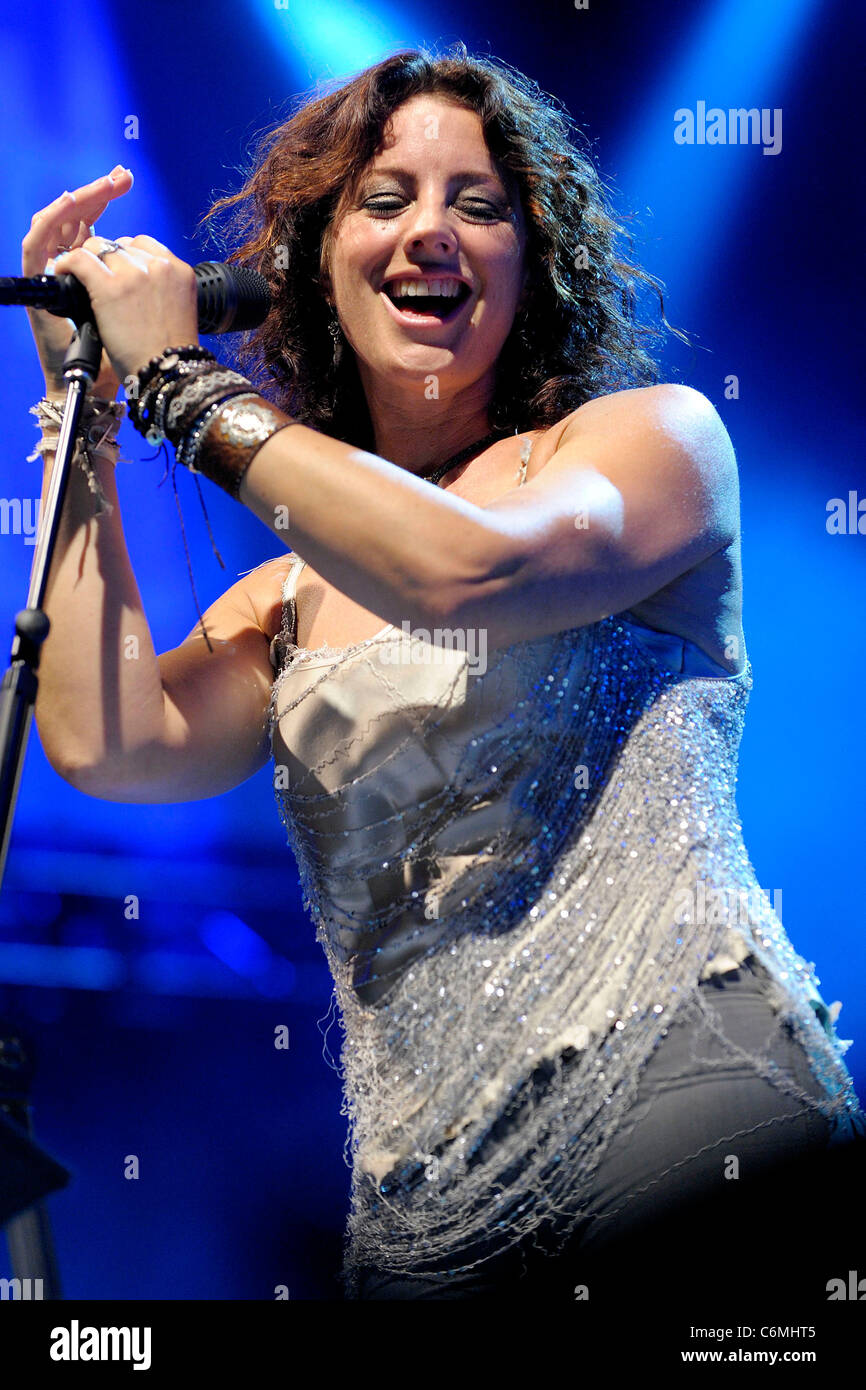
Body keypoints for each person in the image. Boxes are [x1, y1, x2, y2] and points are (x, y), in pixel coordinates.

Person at [23, 46, 864, 1303]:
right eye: (384, 199)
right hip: (425, 1222)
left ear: (532, 263)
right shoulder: (287, 597)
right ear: (308, 264)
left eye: (479, 206)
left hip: (682, 1118)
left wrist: (182, 385)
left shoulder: (652, 441)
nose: (432, 231)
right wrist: (79, 417)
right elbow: (108, 739)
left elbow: (466, 571)